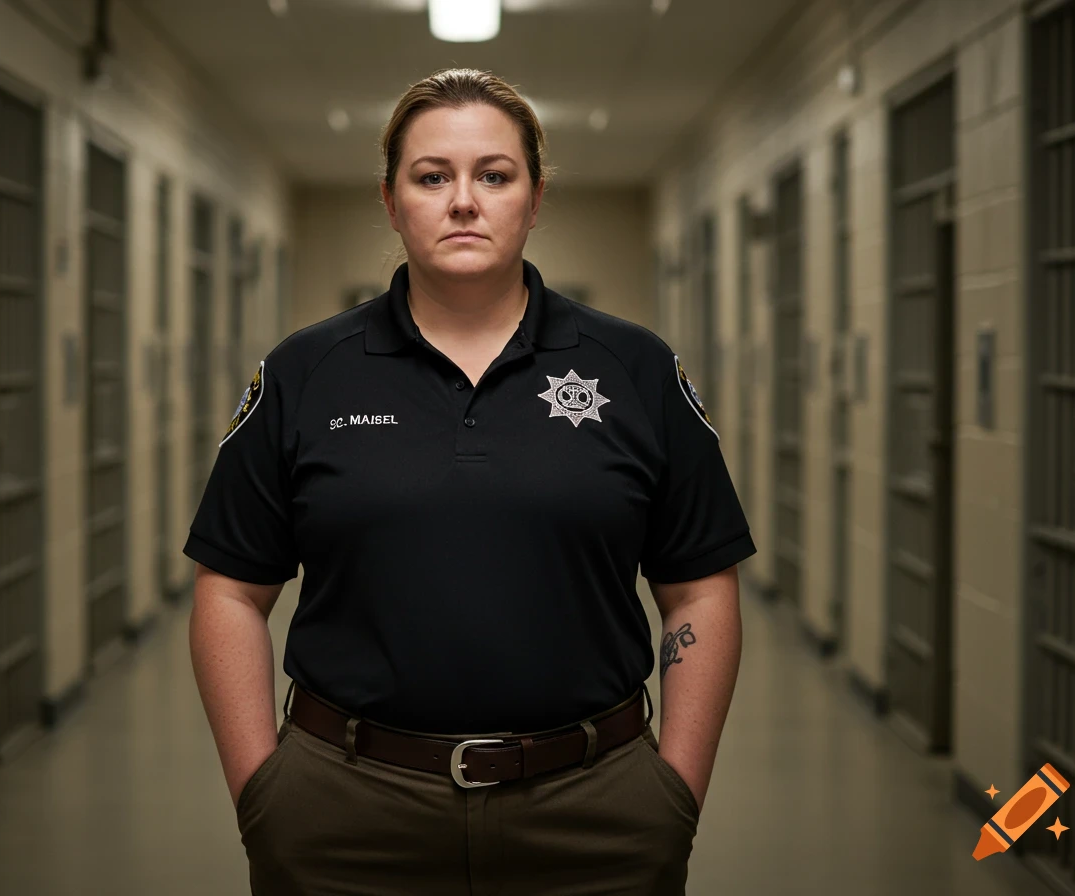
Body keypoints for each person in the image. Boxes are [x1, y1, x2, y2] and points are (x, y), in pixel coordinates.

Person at [185, 67, 755, 895]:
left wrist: (675, 793)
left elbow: (700, 586)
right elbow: (230, 589)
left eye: (494, 175)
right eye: (431, 177)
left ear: (534, 196)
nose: (463, 201)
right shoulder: (307, 373)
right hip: (347, 810)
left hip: (592, 809)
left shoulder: (635, 369)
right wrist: (262, 795)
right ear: (391, 201)